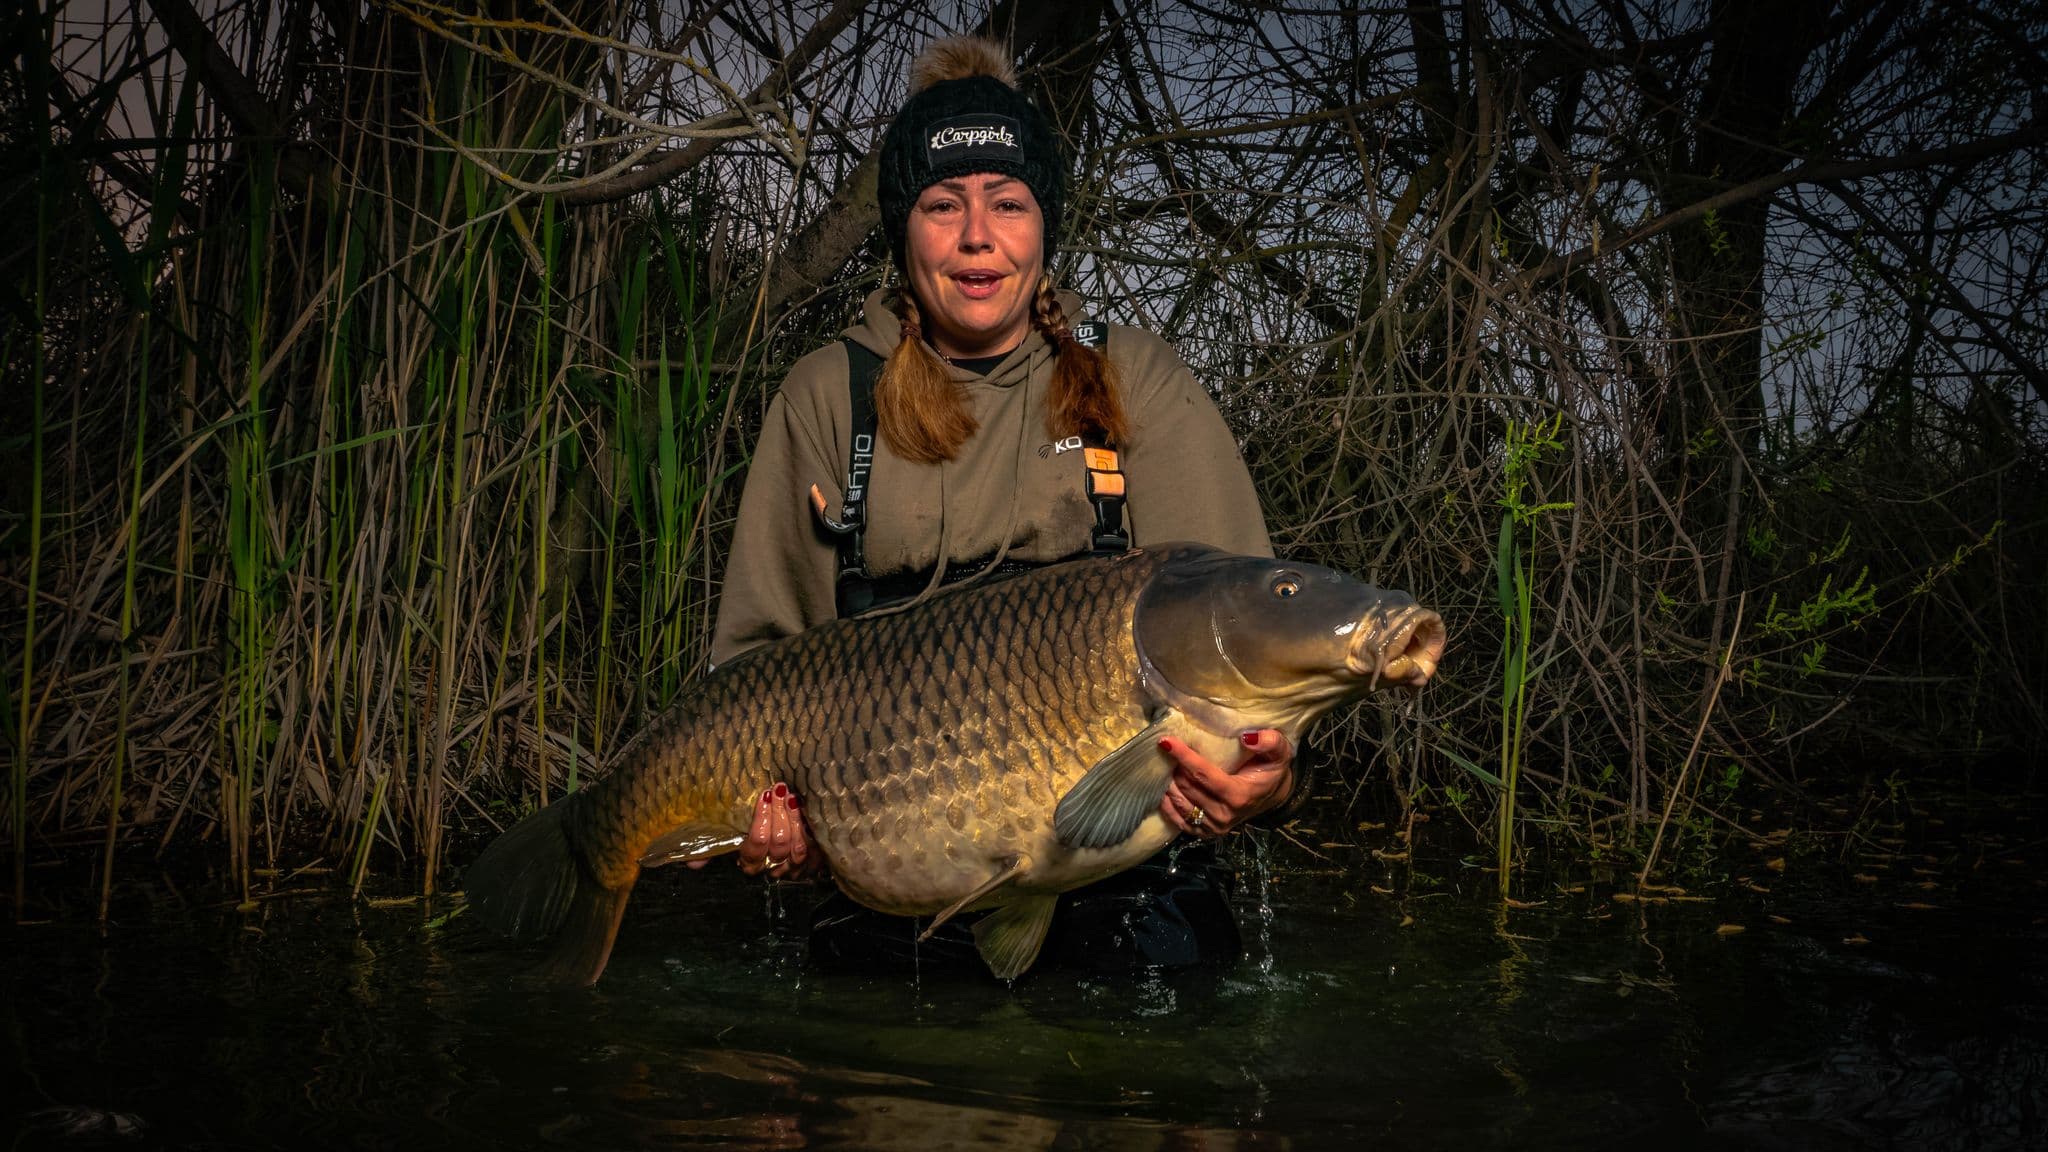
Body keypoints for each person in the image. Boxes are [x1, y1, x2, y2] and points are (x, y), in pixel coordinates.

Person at [701, 35, 1299, 972]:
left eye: (1008, 205)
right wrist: (775, 820)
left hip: (1124, 890)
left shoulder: (1132, 380)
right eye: (943, 206)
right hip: (890, 875)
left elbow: (1244, 638)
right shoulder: (827, 397)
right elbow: (749, 673)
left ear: (1042, 227)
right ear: (904, 230)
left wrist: (1263, 776)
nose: (978, 237)